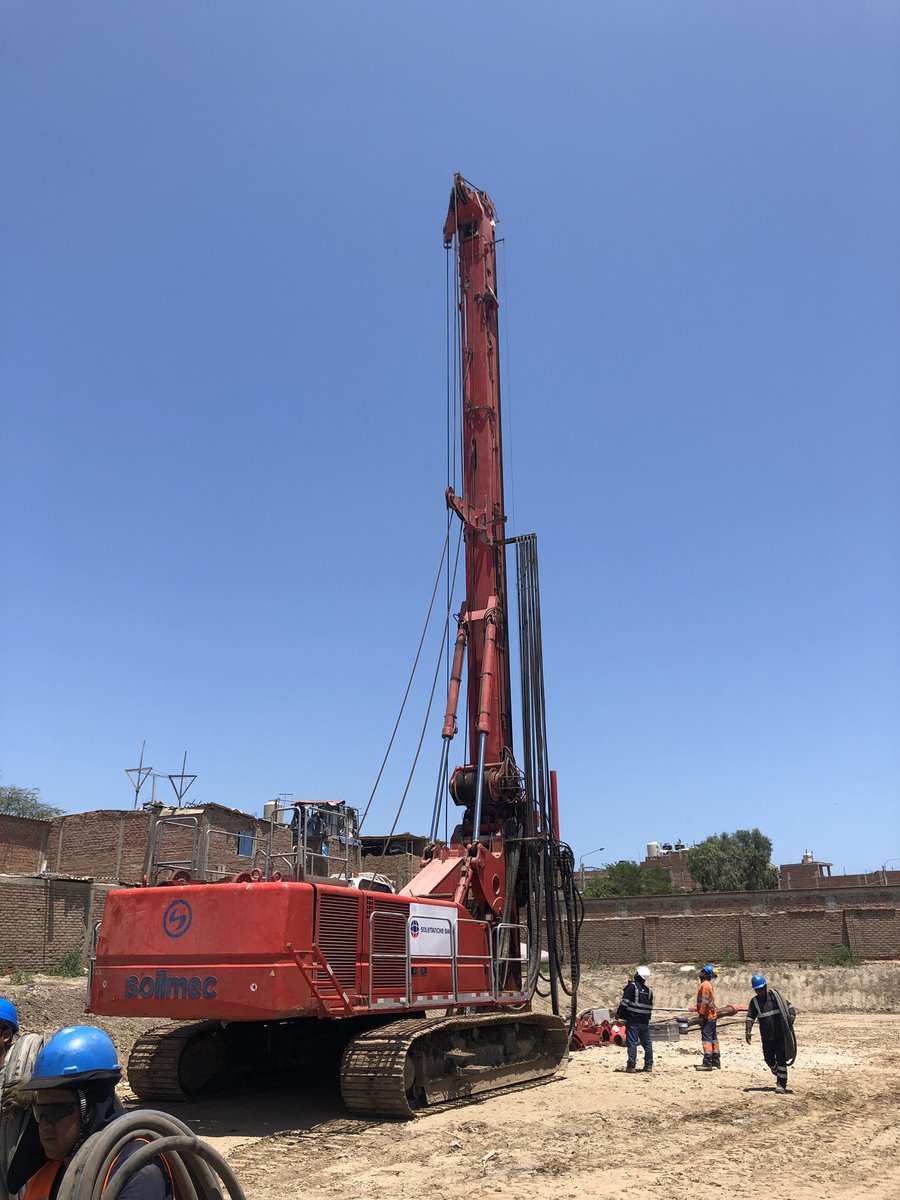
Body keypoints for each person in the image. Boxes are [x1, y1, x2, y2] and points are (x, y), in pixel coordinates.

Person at [7, 1026, 173, 1200]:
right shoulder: (49, 1167)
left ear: (89, 1109)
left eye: (55, 1112)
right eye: (39, 1112)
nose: (43, 1125)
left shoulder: (136, 1167)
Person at [0, 998, 48, 1200]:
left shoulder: (33, 1065)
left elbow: (78, 1096)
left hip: (20, 1170)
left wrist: (36, 1093)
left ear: (5, 1035)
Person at [745, 974, 797, 1094]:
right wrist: (747, 1030)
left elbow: (789, 1006)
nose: (760, 992)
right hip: (767, 1037)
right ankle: (776, 1071)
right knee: (769, 1059)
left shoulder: (775, 998)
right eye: (757, 990)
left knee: (781, 1059)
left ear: (766, 986)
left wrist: (792, 1015)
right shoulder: (754, 1002)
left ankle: (781, 1084)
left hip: (780, 1035)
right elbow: (750, 1017)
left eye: (761, 989)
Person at [617, 966, 654, 1073]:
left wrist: (619, 1014)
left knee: (632, 1043)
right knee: (647, 1043)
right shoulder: (649, 991)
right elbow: (649, 1008)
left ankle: (631, 1065)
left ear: (638, 975)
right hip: (645, 1022)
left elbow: (625, 1002)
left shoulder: (632, 987)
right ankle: (648, 1065)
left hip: (633, 1021)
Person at [696, 963, 720, 1070]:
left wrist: (701, 1015)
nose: (700, 973)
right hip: (712, 1017)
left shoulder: (705, 985)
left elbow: (704, 1002)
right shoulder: (708, 985)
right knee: (714, 1039)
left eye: (702, 971)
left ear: (705, 974)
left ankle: (707, 1063)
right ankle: (716, 1061)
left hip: (707, 1016)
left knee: (707, 1040)